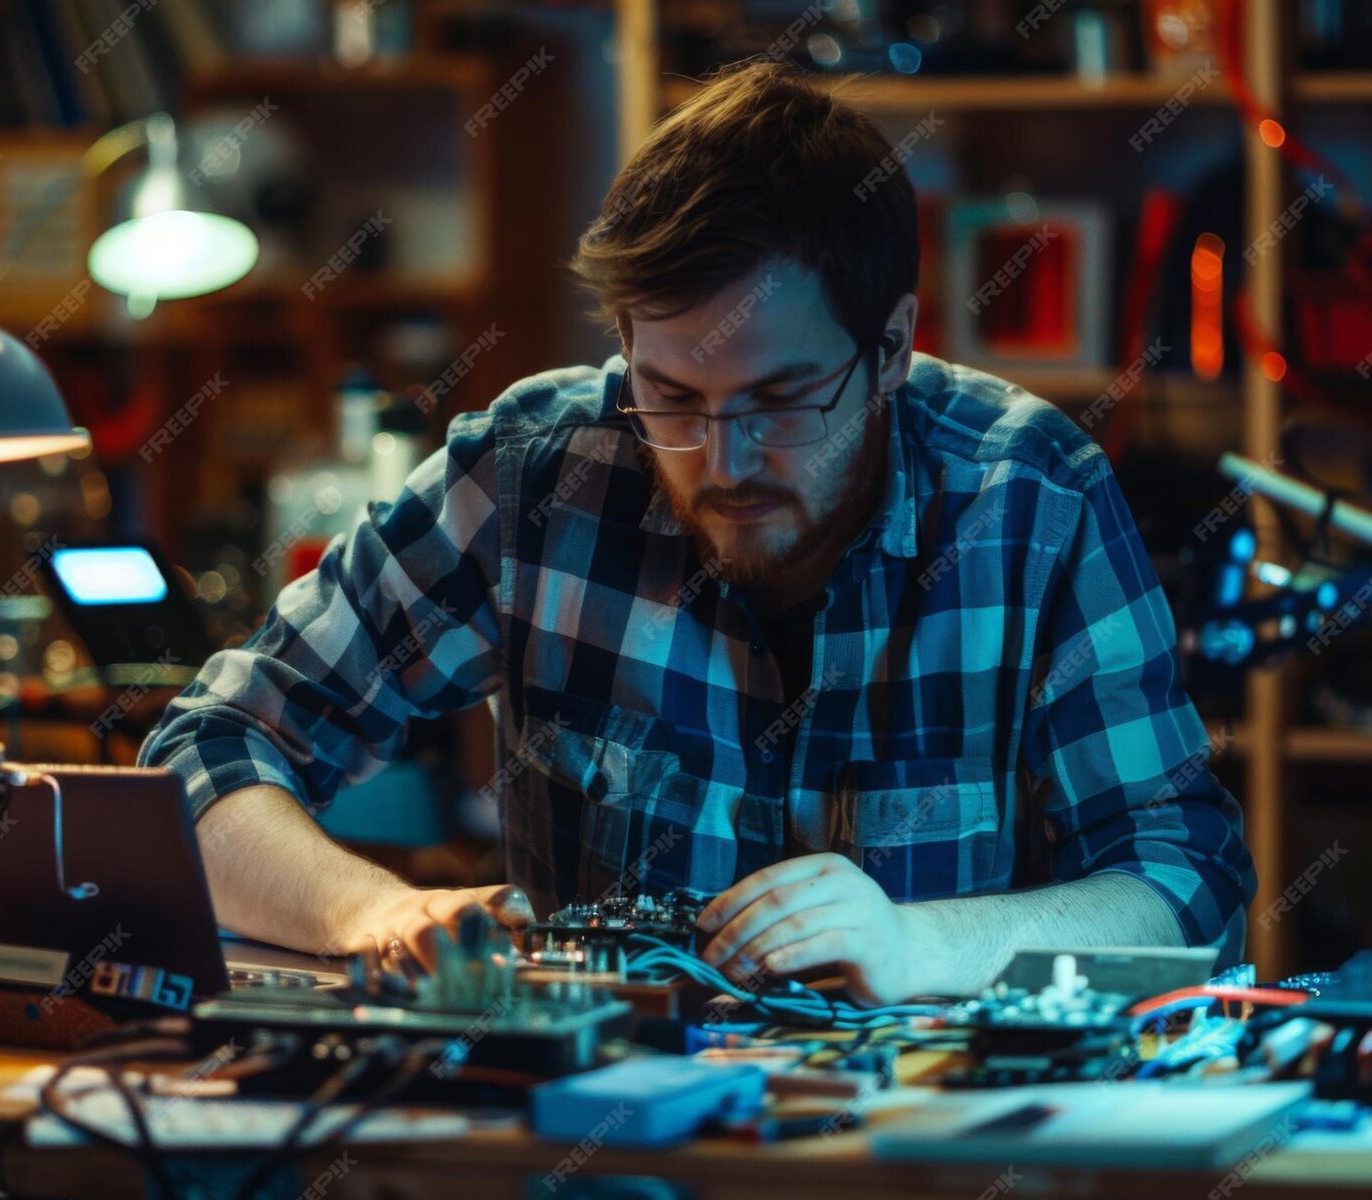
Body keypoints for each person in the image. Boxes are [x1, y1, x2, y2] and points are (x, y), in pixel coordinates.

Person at [139, 58, 1256, 1004]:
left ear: (893, 350)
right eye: (671, 395)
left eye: (780, 401)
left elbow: (1188, 889)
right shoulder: (533, 477)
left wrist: (917, 944)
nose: (721, 464)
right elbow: (202, 756)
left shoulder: (1032, 500)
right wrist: (373, 912)